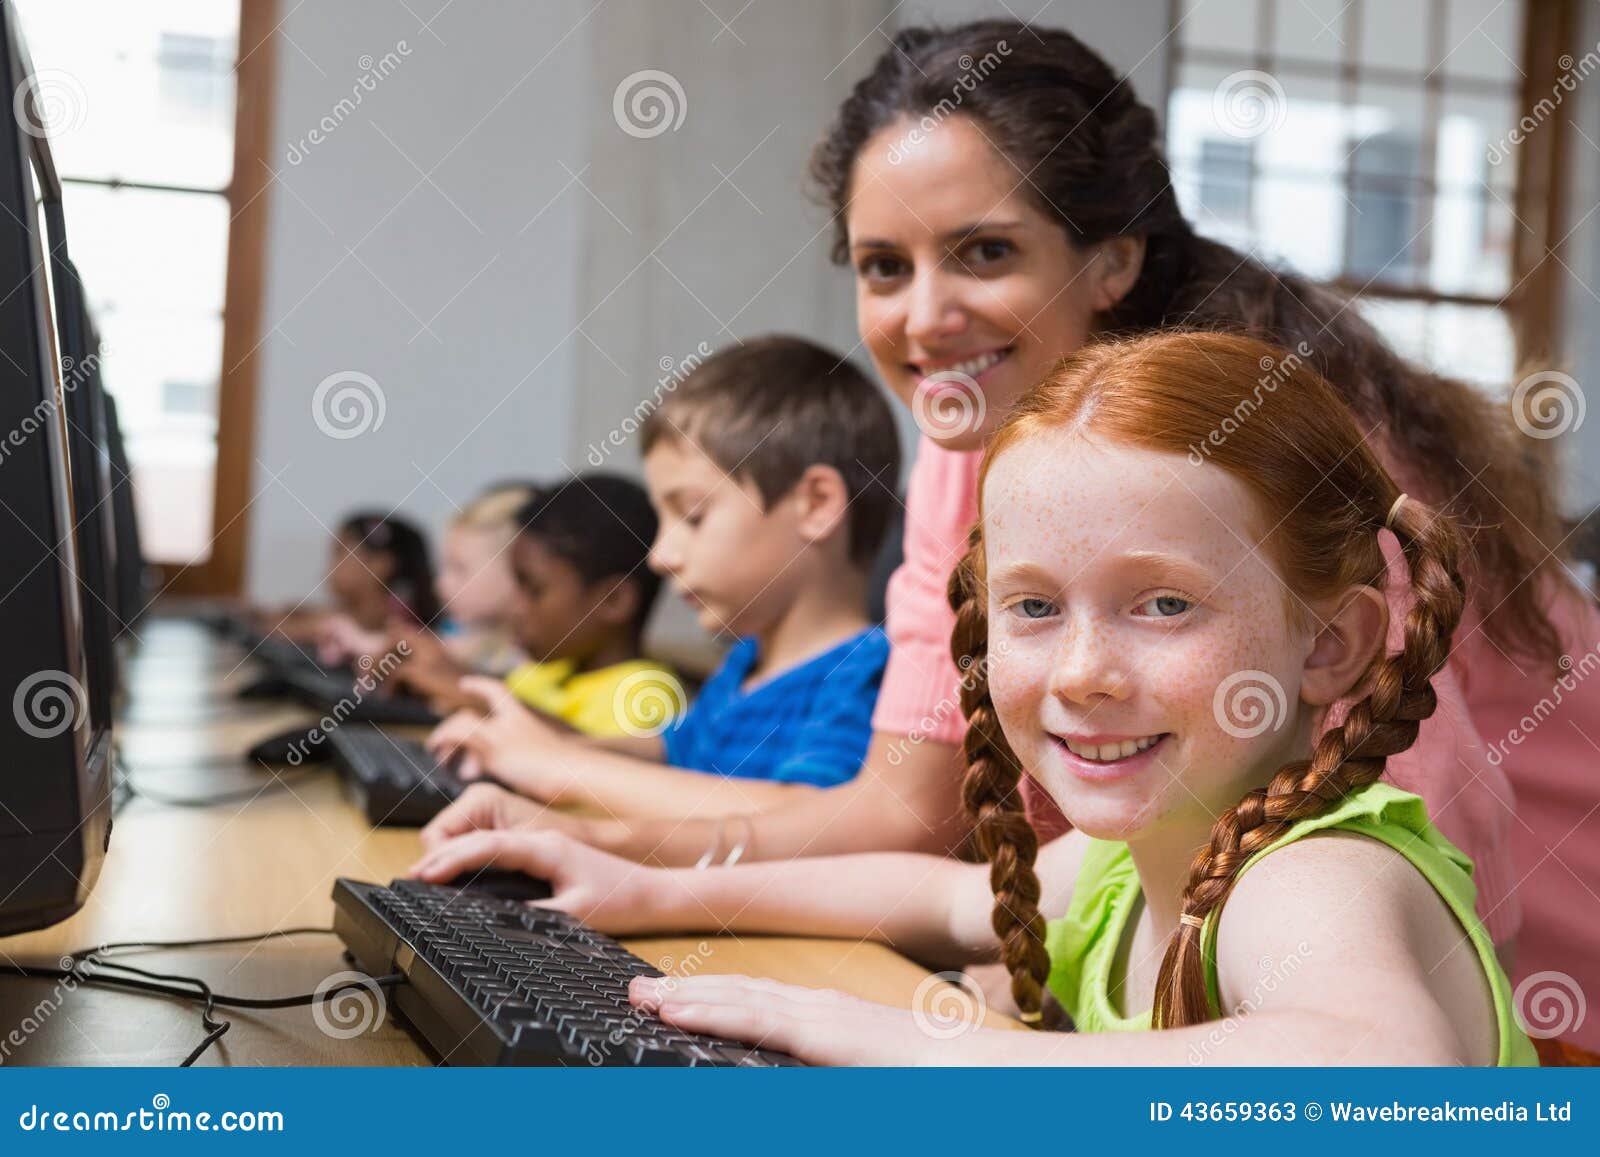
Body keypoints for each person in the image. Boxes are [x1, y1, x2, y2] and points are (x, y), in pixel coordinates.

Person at [421, 22, 1597, 971]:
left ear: (1112, 260)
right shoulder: (978, 432)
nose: (925, 316)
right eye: (884, 267)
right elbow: (909, 805)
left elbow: (1421, 864)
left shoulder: (1269, 442)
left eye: (984, 252)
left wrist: (587, 807)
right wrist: (602, 845)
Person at [413, 333, 1537, 1066]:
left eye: (1163, 604)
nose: (1082, 671)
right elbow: (931, 893)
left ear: (1330, 644)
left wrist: (929, 1043)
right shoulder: (1128, 861)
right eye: (1034, 606)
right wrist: (647, 890)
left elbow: (1385, 1068)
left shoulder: (1314, 872)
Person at [426, 337, 899, 821]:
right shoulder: (747, 662)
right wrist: (530, 750)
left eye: (692, 516)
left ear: (816, 505)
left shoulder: (864, 676)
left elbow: (807, 819)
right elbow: (672, 754)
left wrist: (564, 767)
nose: (660, 556)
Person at [429, 473, 682, 745]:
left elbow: (607, 766)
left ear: (613, 600)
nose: (516, 607)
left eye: (534, 590)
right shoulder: (542, 671)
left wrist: (467, 690)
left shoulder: (646, 692)